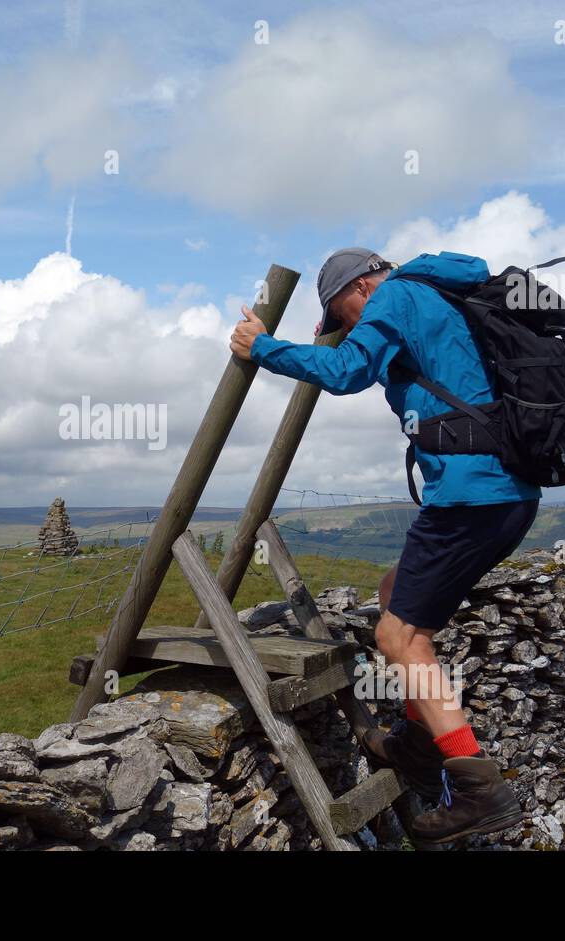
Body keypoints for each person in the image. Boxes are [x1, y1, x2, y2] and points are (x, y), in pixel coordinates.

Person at [230, 248, 537, 843]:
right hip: (509, 493)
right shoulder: (437, 294)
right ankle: (421, 748)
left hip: (470, 494)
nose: (347, 323)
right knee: (394, 592)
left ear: (364, 287)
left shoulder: (392, 296)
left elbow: (347, 370)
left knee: (399, 638)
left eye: (344, 310)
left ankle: (479, 787)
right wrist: (332, 327)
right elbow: (356, 342)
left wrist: (261, 349)